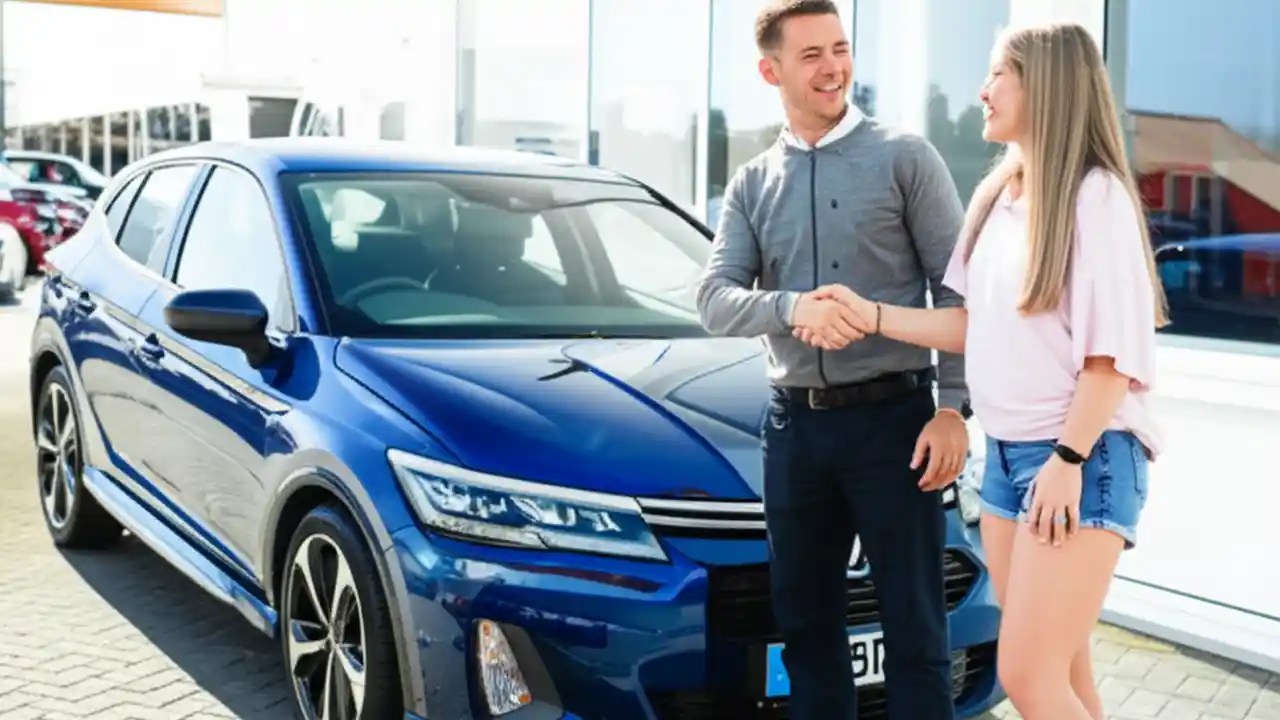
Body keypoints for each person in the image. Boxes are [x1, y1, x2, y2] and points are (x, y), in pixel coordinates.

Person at [797, 23, 1167, 720]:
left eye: (999, 73)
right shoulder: (999, 197)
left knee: (1027, 677)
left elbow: (1110, 358)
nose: (982, 89)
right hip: (1008, 461)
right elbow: (973, 326)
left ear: (1046, 86)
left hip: (1082, 458)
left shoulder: (1097, 200)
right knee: (1067, 676)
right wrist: (871, 315)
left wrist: (1067, 458)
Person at [695, 1, 970, 718]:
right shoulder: (754, 182)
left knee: (915, 626)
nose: (833, 68)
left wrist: (951, 409)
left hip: (898, 424)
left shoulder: (906, 158)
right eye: (812, 54)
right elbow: (714, 299)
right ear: (771, 69)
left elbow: (962, 297)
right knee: (807, 627)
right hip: (795, 433)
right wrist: (792, 308)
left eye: (840, 48)